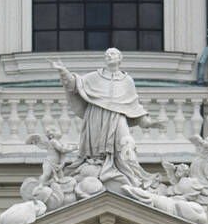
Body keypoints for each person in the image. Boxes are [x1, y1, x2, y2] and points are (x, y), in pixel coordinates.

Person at [52, 48, 158, 188]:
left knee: (125, 145)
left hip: (118, 116)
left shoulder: (127, 81)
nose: (108, 55)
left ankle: (133, 176)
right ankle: (97, 169)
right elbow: (74, 85)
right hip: (96, 114)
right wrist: (63, 71)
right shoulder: (94, 77)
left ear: (120, 58)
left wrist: (148, 123)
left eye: (112, 53)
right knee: (96, 150)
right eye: (106, 54)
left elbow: (134, 105)